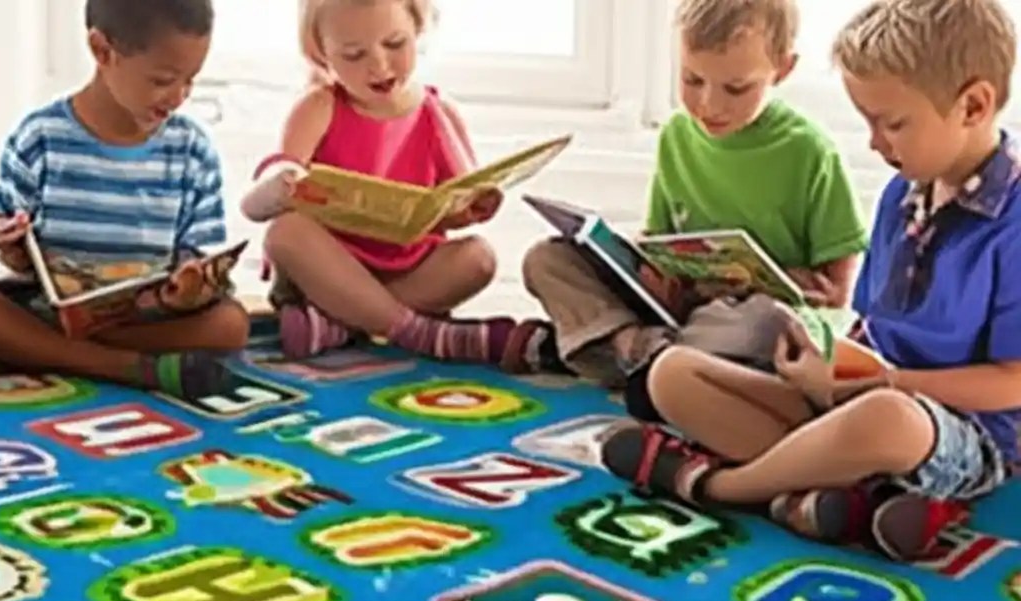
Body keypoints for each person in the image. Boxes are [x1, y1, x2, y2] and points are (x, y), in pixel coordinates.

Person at [598, 0, 1021, 563]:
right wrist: (827, 362)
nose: (875, 143)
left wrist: (886, 383)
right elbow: (872, 328)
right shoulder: (904, 193)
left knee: (886, 419)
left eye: (892, 124)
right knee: (671, 372)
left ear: (973, 105)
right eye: (868, 122)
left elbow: (1013, 383)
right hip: (863, 401)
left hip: (959, 432)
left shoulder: (1013, 222)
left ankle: (721, 486)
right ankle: (841, 498)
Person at [520, 0, 867, 404]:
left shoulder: (809, 151)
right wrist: (654, 276)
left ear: (783, 69)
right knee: (547, 260)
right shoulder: (677, 136)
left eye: (735, 88)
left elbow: (839, 294)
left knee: (764, 324)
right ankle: (643, 351)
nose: (709, 104)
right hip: (684, 312)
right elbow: (658, 239)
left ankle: (627, 353)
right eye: (692, 79)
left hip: (753, 318)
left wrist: (808, 287)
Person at [0, 0, 248, 397]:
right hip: (49, 310)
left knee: (231, 324)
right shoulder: (41, 137)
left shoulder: (191, 150)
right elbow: (7, 234)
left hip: (144, 318)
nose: (179, 96)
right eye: (162, 80)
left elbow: (196, 253)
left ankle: (37, 351)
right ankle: (127, 367)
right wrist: (11, 246)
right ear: (101, 50)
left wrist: (189, 289)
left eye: (191, 80)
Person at [239, 0, 541, 366]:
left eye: (395, 44)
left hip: (410, 269)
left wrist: (473, 209)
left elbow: (454, 207)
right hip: (331, 270)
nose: (379, 66)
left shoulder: (437, 113)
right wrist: (280, 184)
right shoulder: (318, 107)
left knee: (478, 258)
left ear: (418, 28)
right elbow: (261, 197)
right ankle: (422, 333)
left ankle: (343, 324)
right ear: (321, 53)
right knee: (285, 232)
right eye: (353, 55)